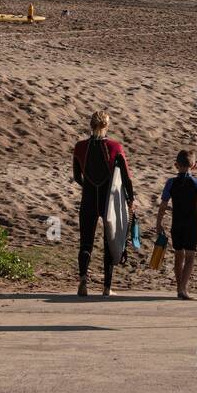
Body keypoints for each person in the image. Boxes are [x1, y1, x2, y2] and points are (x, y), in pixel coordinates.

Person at [72, 111, 135, 297]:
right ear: (107, 126)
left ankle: (83, 281)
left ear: (91, 125)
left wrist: (88, 187)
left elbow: (77, 177)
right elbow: (126, 178)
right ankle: (107, 287)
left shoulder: (80, 147)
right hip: (109, 201)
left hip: (88, 199)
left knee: (85, 243)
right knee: (109, 240)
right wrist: (131, 199)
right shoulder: (115, 147)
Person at [155, 150, 197, 300]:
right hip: (190, 225)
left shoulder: (171, 182)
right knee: (190, 257)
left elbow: (163, 205)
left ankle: (179, 288)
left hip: (176, 224)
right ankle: (183, 289)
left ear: (176, 165)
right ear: (194, 165)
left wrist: (159, 222)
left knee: (178, 255)